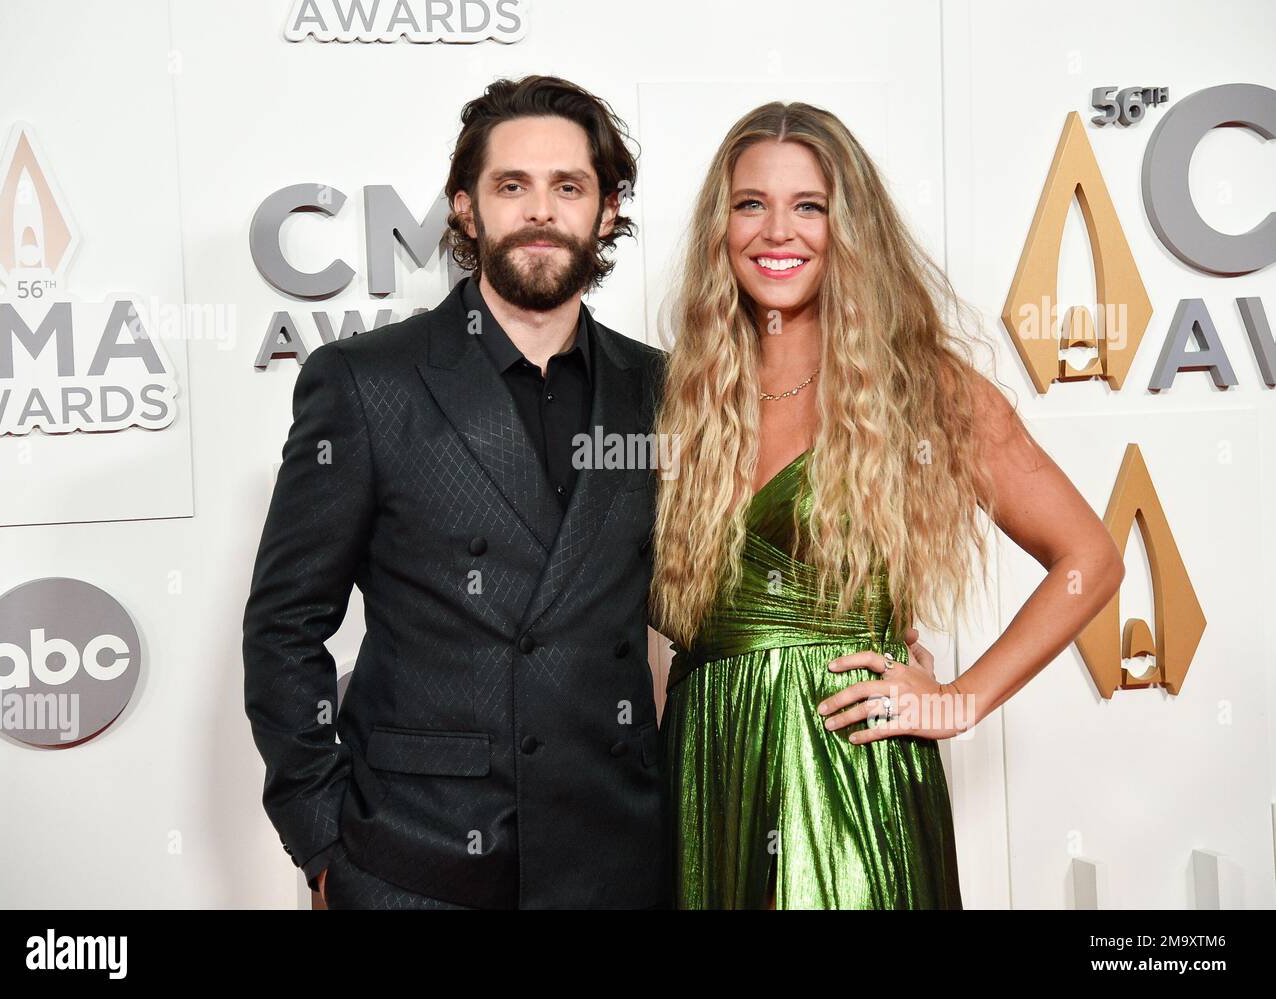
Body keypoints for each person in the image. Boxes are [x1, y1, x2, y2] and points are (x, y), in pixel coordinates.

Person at [649, 101, 1126, 909]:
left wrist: (959, 697)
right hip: (706, 765)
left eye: (810, 206)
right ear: (718, 228)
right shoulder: (677, 396)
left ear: (851, 227)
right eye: (750, 204)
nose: (777, 231)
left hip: (850, 772)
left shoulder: (923, 389)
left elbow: (1092, 557)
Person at [242, 75, 668, 909]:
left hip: (616, 855)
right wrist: (324, 840)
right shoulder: (367, 384)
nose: (540, 211)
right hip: (416, 859)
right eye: (512, 186)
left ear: (607, 209)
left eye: (568, 186)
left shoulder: (661, 390)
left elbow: (696, 592)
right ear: (465, 208)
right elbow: (285, 626)